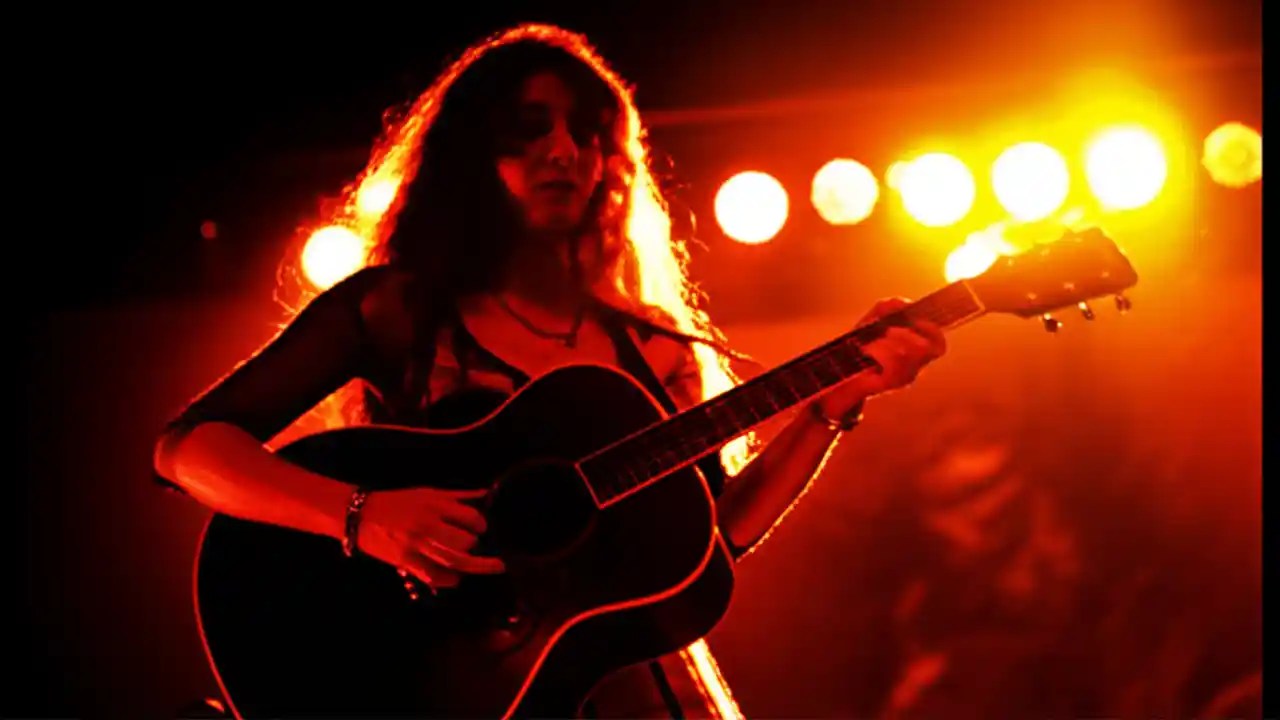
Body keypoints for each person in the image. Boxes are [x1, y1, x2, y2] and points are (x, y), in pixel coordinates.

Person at [152, 22, 947, 718]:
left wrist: (832, 405)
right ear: (470, 155)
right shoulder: (397, 310)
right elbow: (186, 451)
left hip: (645, 687)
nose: (563, 150)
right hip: (452, 685)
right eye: (526, 129)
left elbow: (718, 535)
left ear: (610, 164)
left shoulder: (653, 345)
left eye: (586, 132)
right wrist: (364, 516)